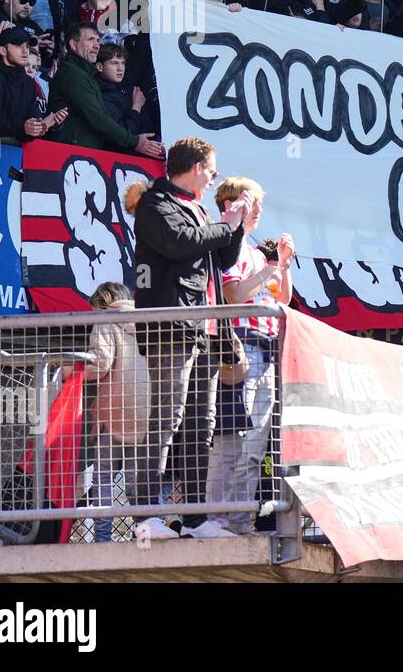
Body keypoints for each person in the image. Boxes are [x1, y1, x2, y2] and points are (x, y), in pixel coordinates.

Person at [127, 136, 254, 541]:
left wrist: (234, 230)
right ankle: (144, 516)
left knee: (202, 425)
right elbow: (180, 245)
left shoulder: (198, 209)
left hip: (208, 331)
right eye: (212, 171)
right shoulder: (155, 203)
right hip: (173, 328)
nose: (214, 179)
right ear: (197, 167)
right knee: (167, 417)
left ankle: (195, 519)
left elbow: (223, 260)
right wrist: (226, 225)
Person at [207, 176, 294, 536]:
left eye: (259, 202)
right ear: (232, 204)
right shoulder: (229, 245)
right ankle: (215, 519)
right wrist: (269, 272)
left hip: (266, 349)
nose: (259, 209)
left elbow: (282, 300)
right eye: (253, 201)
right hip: (241, 347)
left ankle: (241, 522)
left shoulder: (255, 251)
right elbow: (233, 295)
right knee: (232, 439)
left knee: (255, 444)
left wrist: (282, 267)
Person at [84, 281, 149, 543]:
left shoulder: (105, 320)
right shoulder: (148, 319)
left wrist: (70, 369)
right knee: (138, 480)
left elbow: (100, 363)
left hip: (113, 411)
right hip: (146, 410)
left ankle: (102, 538)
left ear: (102, 301)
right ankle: (146, 538)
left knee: (103, 475)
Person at [49, 23, 164, 157]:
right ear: (73, 45)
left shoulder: (86, 75)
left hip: (83, 156)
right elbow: (98, 119)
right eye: (90, 40)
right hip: (70, 156)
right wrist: (136, 142)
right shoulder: (73, 75)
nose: (97, 45)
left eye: (98, 40)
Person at [0, 29, 68, 141]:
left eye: (27, 46)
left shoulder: (29, 82)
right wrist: (22, 127)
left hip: (15, 154)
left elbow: (30, 122)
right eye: (18, 45)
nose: (25, 51)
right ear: (3, 50)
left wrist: (44, 125)